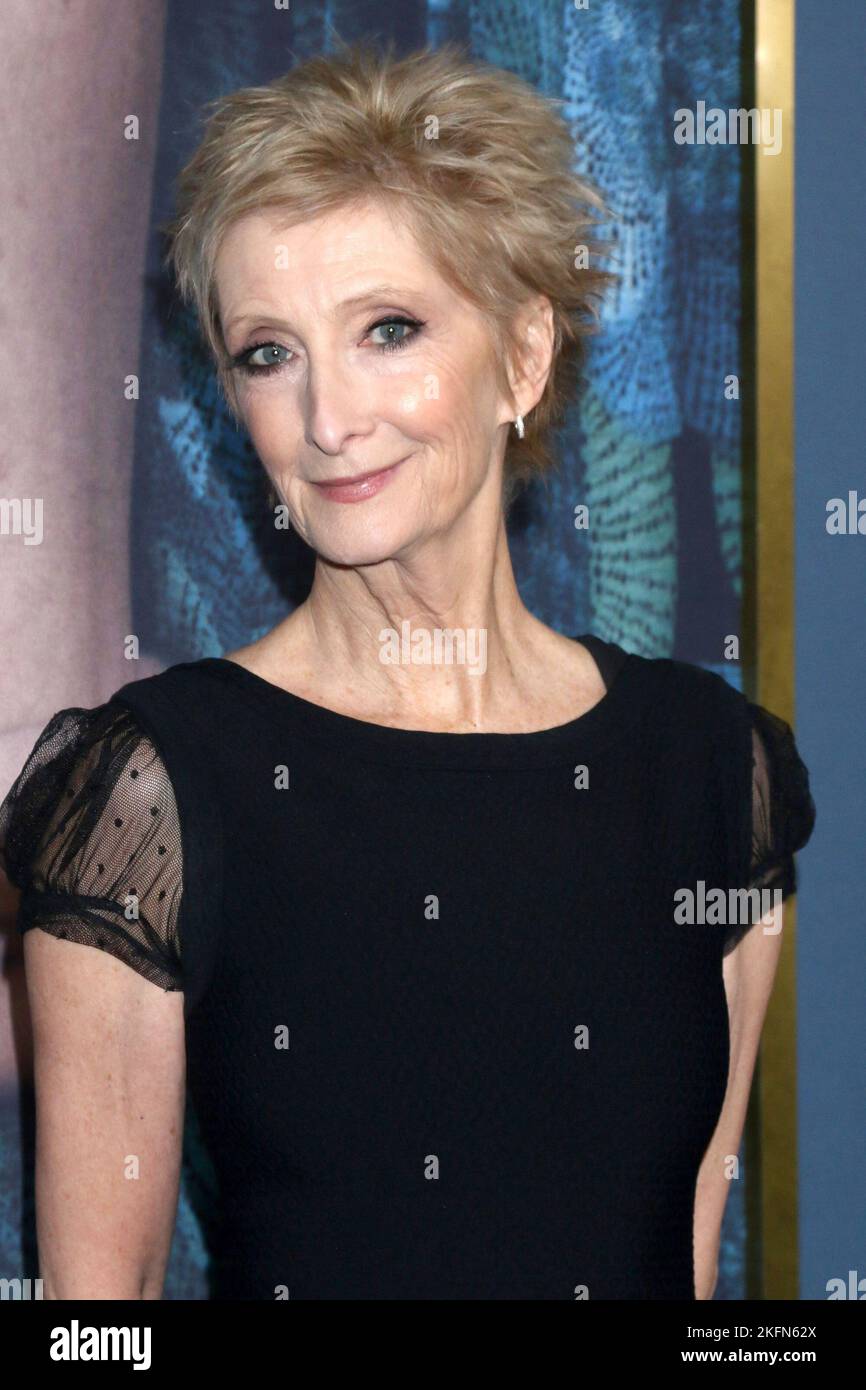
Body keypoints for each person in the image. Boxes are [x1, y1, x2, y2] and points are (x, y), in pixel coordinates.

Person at [0, 40, 815, 1301]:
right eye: (269, 352)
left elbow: (691, 1270)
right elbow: (92, 1321)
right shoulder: (150, 790)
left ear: (525, 357)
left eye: (388, 329)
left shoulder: (715, 773)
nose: (327, 420)